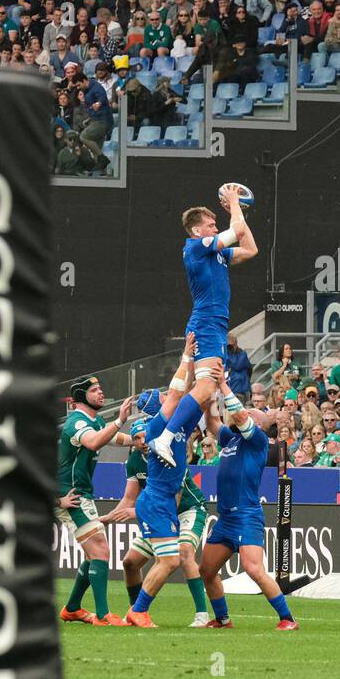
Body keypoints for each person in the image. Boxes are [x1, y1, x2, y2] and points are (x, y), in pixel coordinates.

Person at [150, 185, 258, 467]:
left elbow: (250, 248)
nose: (215, 227)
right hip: (208, 323)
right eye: (211, 225)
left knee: (201, 389)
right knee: (208, 384)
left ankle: (167, 435)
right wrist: (234, 202)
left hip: (213, 325)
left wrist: (239, 212)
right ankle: (165, 437)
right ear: (197, 231)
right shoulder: (196, 247)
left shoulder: (216, 254)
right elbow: (236, 232)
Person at [123, 349, 220, 628]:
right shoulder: (156, 429)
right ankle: (138, 611)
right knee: (169, 561)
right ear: (160, 408)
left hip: (162, 501)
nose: (170, 397)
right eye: (164, 399)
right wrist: (187, 358)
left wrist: (210, 385)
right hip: (159, 501)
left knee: (166, 560)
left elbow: (193, 400)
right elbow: (179, 393)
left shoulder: (174, 426)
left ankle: (138, 611)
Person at [196, 382, 299, 630]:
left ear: (259, 424)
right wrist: (209, 394)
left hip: (246, 515)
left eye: (253, 413)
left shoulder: (258, 440)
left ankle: (288, 619)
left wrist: (222, 384)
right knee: (206, 570)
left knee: (254, 569)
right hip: (226, 519)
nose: (247, 412)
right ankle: (223, 619)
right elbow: (212, 423)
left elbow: (240, 415)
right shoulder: (231, 439)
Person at [56, 375, 136, 627]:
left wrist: (139, 441)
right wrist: (120, 420)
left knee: (94, 553)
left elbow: (113, 438)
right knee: (100, 548)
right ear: (81, 396)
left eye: (101, 389)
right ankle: (102, 616)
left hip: (80, 494)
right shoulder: (76, 423)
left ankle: (72, 609)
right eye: (95, 390)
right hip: (70, 497)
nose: (101, 393)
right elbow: (92, 441)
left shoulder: (94, 420)